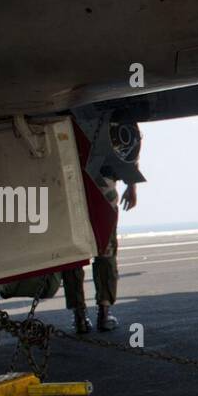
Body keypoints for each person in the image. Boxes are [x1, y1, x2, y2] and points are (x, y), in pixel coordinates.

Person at [63, 120, 143, 333]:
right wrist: (131, 185)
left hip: (69, 183)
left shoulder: (70, 114)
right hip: (102, 186)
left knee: (72, 253)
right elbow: (130, 144)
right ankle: (104, 313)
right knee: (106, 251)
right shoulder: (114, 110)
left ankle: (79, 316)